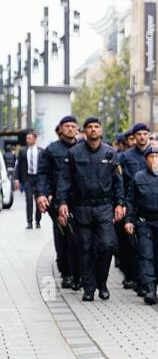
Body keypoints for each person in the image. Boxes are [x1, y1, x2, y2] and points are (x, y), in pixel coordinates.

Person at [55, 117, 124, 302]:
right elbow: (64, 180)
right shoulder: (74, 153)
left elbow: (118, 182)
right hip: (82, 207)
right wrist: (62, 203)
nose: (93, 130)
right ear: (84, 131)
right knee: (84, 248)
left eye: (96, 127)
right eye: (89, 127)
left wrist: (120, 204)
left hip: (104, 207)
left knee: (107, 245)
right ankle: (89, 287)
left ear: (101, 130)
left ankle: (102, 282)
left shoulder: (111, 152)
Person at [122, 144, 158, 305]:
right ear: (146, 159)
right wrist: (128, 220)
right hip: (144, 222)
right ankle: (149, 288)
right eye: (151, 157)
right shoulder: (138, 177)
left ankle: (154, 282)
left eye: (157, 156)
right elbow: (131, 202)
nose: (154, 159)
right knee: (145, 254)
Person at [37, 115, 82, 289]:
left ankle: (79, 274)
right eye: (67, 126)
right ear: (61, 129)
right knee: (63, 237)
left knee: (79, 239)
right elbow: (43, 174)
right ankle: (66, 273)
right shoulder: (51, 150)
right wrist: (42, 194)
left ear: (77, 129)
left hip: (79, 202)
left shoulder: (82, 148)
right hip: (57, 201)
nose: (70, 129)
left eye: (73, 126)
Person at [115, 123, 152, 292]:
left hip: (150, 206)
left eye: (145, 134)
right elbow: (119, 182)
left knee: (149, 246)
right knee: (130, 244)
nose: (142, 137)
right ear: (134, 137)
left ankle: (144, 278)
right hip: (131, 205)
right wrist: (121, 203)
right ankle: (135, 277)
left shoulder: (155, 154)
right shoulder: (125, 157)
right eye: (139, 134)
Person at [14, 130, 42, 229]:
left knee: (39, 200)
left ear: (35, 139)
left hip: (38, 179)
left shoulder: (41, 151)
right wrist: (16, 179)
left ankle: (38, 221)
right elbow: (18, 166)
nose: (27, 140)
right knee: (29, 199)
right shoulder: (23, 151)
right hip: (27, 179)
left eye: (29, 138)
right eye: (27, 138)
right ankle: (29, 222)